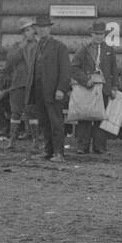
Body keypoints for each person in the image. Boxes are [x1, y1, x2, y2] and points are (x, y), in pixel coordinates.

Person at [27, 14, 72, 163]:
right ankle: (48, 151)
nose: (42, 30)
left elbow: (65, 71)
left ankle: (59, 153)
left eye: (45, 27)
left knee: (56, 122)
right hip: (39, 90)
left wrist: (61, 89)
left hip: (54, 92)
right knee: (44, 122)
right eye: (39, 28)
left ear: (49, 29)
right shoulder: (37, 46)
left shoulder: (59, 47)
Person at [70, 21, 117, 155]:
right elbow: (73, 68)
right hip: (88, 88)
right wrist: (85, 80)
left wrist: (114, 87)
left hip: (104, 89)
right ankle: (82, 146)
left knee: (101, 117)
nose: (99, 36)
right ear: (92, 34)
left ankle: (99, 147)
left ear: (104, 35)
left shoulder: (109, 50)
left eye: (101, 34)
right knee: (85, 117)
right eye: (96, 34)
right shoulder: (84, 49)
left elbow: (114, 71)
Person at [4, 18, 38, 148]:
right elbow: (10, 60)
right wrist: (22, 47)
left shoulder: (39, 45)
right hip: (18, 83)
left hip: (33, 84)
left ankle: (35, 141)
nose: (28, 33)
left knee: (33, 113)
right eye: (25, 30)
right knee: (16, 112)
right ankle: (12, 140)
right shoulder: (17, 46)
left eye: (30, 29)